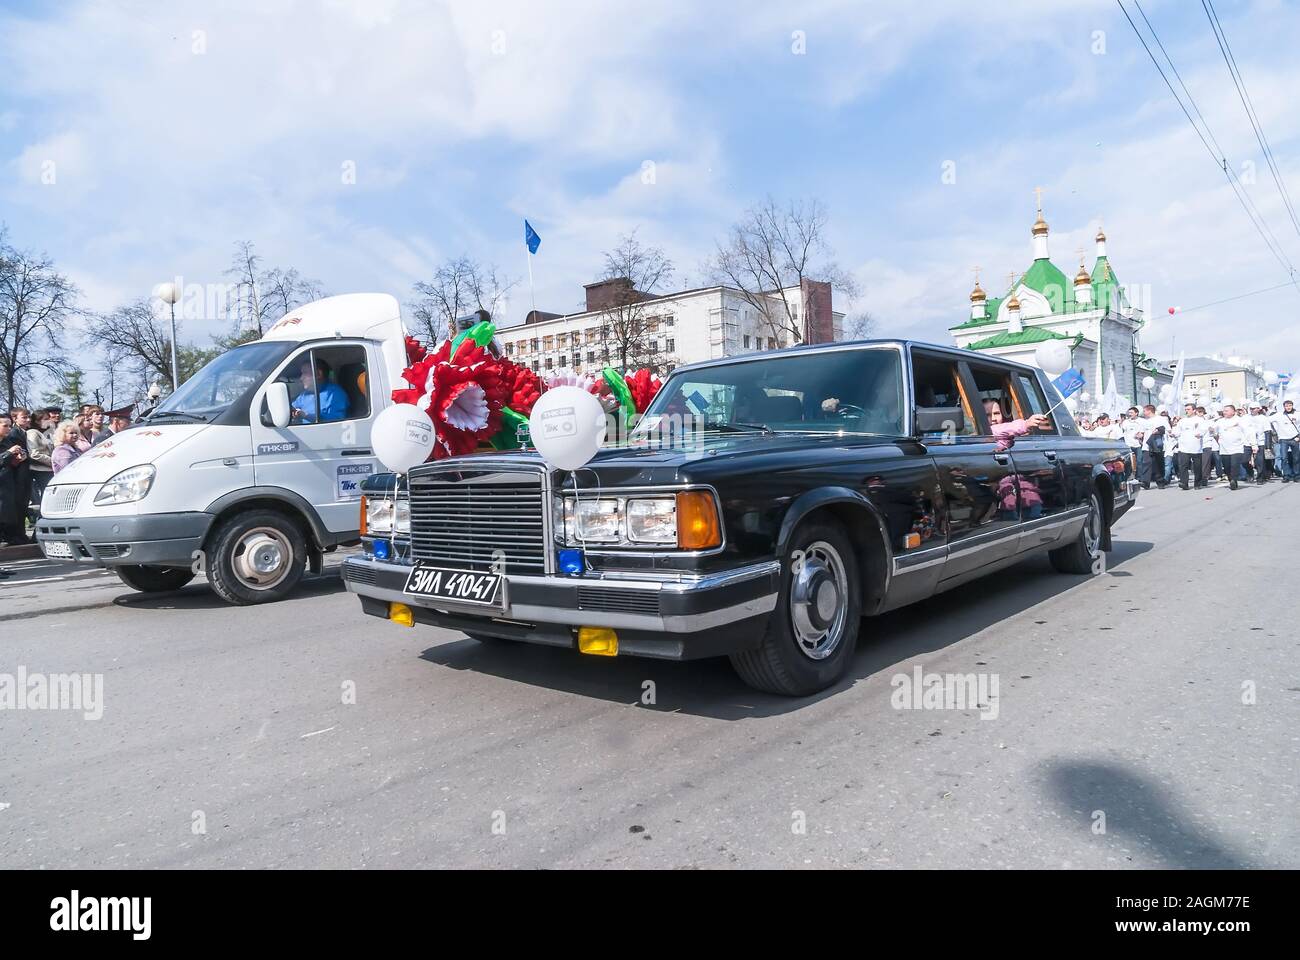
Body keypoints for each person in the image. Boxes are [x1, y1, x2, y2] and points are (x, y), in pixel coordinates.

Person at [290, 357, 350, 424]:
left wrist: (306, 415)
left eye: (305, 373)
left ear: (318, 374)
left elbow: (336, 422)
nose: (301, 378)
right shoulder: (305, 394)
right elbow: (292, 408)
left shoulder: (335, 394)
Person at [26, 408, 57, 516]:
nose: (49, 421)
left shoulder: (45, 433)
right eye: (45, 419)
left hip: (47, 469)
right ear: (37, 421)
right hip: (40, 470)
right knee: (46, 499)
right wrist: (52, 461)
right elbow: (34, 453)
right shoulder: (32, 433)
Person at [1211, 404, 1248, 491]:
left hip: (1237, 448)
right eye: (1224, 411)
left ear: (1233, 412)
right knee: (1227, 467)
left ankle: (1234, 480)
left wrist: (1251, 444)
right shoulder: (1220, 421)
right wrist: (1214, 435)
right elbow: (1213, 432)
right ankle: (1231, 478)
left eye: (1226, 411)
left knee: (1234, 465)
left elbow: (1248, 432)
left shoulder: (1239, 420)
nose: (1224, 412)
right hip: (1224, 449)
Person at [1175, 406, 1206, 490]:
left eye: (1188, 409)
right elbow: (1177, 431)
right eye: (1185, 409)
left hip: (1196, 447)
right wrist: (1174, 433)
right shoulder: (1182, 421)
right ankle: (1184, 483)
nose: (1186, 411)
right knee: (1183, 466)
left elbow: (1204, 430)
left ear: (1194, 410)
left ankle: (1197, 483)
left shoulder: (1200, 420)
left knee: (1197, 467)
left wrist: (1200, 434)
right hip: (1183, 447)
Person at [1273, 399, 1300, 482]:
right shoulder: (1279, 415)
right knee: (1284, 458)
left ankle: (1297, 475)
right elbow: (1268, 420)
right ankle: (1286, 475)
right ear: (1284, 407)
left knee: (1296, 458)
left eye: (1290, 405)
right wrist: (1277, 431)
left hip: (1294, 438)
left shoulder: (1298, 414)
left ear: (1292, 406)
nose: (1288, 407)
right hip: (1284, 439)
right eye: (1286, 406)